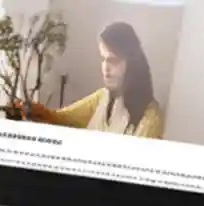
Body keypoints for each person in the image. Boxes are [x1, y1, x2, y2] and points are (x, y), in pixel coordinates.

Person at [27, 22, 165, 139]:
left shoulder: (150, 119)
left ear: (133, 64)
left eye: (113, 60)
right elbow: (61, 118)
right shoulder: (103, 96)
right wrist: (35, 111)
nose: (106, 68)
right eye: (103, 59)